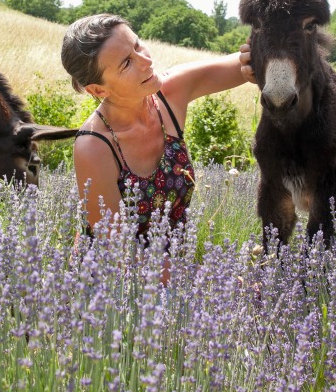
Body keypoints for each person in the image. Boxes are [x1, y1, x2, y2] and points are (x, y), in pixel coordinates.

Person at [60, 13, 254, 243]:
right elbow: (116, 254)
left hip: (177, 267)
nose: (146, 61)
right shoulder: (94, 146)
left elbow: (243, 65)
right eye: (127, 63)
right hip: (113, 274)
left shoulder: (169, 92)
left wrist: (267, 50)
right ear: (98, 90)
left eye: (138, 45)